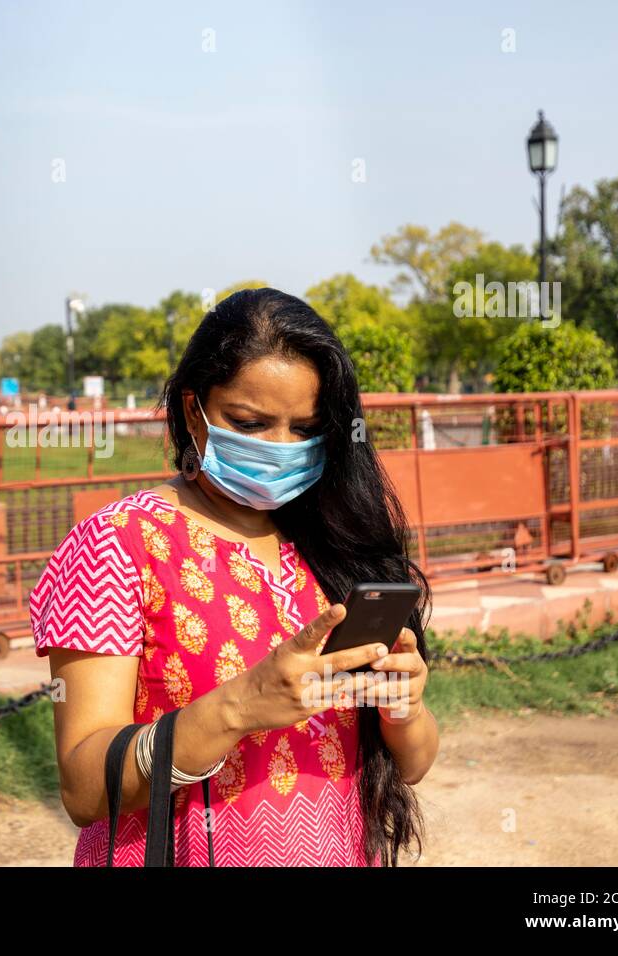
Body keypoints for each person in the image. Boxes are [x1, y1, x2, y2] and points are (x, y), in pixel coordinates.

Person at [30, 288, 438, 866]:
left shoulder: (333, 541)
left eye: (305, 428)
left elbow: (415, 765)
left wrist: (406, 708)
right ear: (195, 409)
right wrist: (239, 707)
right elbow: (83, 788)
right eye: (250, 422)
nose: (281, 448)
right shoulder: (117, 543)